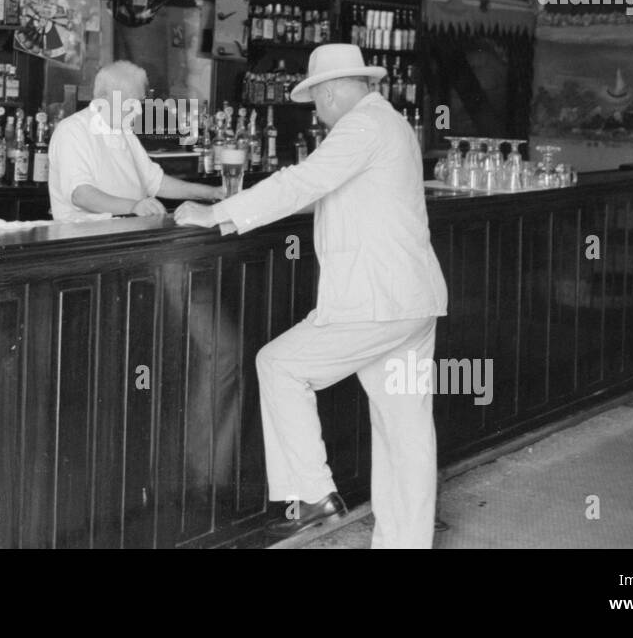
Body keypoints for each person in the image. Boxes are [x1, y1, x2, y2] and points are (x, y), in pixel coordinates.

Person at [175, 43, 448, 548]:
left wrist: (216, 213)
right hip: (412, 302)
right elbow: (327, 190)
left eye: (316, 100)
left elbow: (301, 181)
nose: (316, 112)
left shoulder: (361, 126)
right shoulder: (391, 123)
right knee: (405, 433)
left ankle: (312, 494)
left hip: (374, 302)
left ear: (332, 91)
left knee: (279, 365)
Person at [48, 60, 223, 221]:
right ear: (105, 97)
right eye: (132, 102)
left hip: (127, 231)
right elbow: (81, 195)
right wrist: (134, 206)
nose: (139, 110)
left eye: (140, 102)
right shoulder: (72, 130)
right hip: (86, 237)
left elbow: (156, 182)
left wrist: (213, 193)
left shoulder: (124, 130)